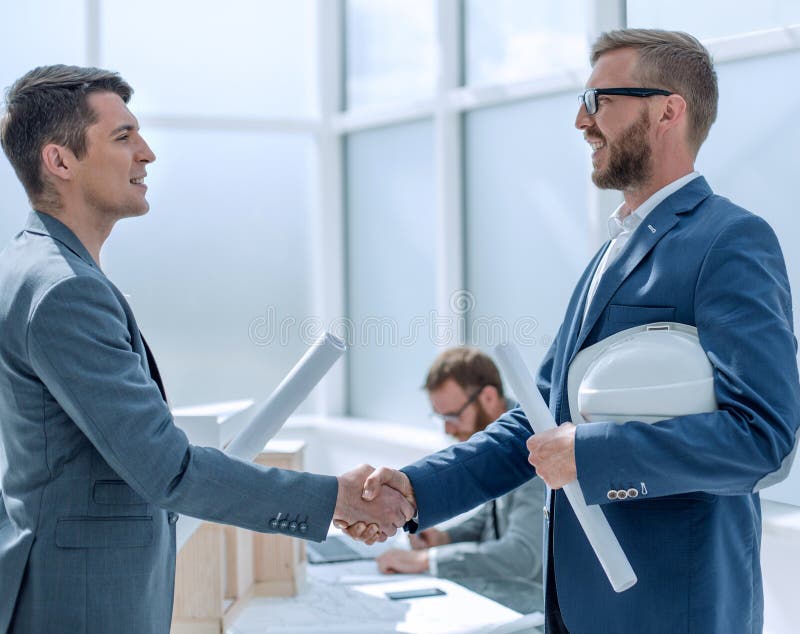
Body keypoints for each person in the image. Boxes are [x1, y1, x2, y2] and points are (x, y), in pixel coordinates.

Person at [348, 29, 800, 633]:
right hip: (579, 612)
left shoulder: (730, 241)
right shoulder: (608, 256)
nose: (581, 122)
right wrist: (413, 490)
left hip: (672, 612)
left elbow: (763, 438)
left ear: (668, 110)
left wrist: (589, 454)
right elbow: (538, 422)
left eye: (598, 101)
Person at [0, 65, 413, 634]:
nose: (147, 153)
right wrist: (336, 498)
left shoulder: (36, 267)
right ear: (60, 161)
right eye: (123, 136)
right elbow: (166, 469)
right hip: (81, 603)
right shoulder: (66, 290)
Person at [376, 347, 545, 614]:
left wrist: (427, 560)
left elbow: (522, 555)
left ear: (488, 397)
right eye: (441, 418)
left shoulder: (532, 448)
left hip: (533, 611)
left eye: (453, 416)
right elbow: (494, 518)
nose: (448, 429)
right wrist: (445, 538)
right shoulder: (495, 451)